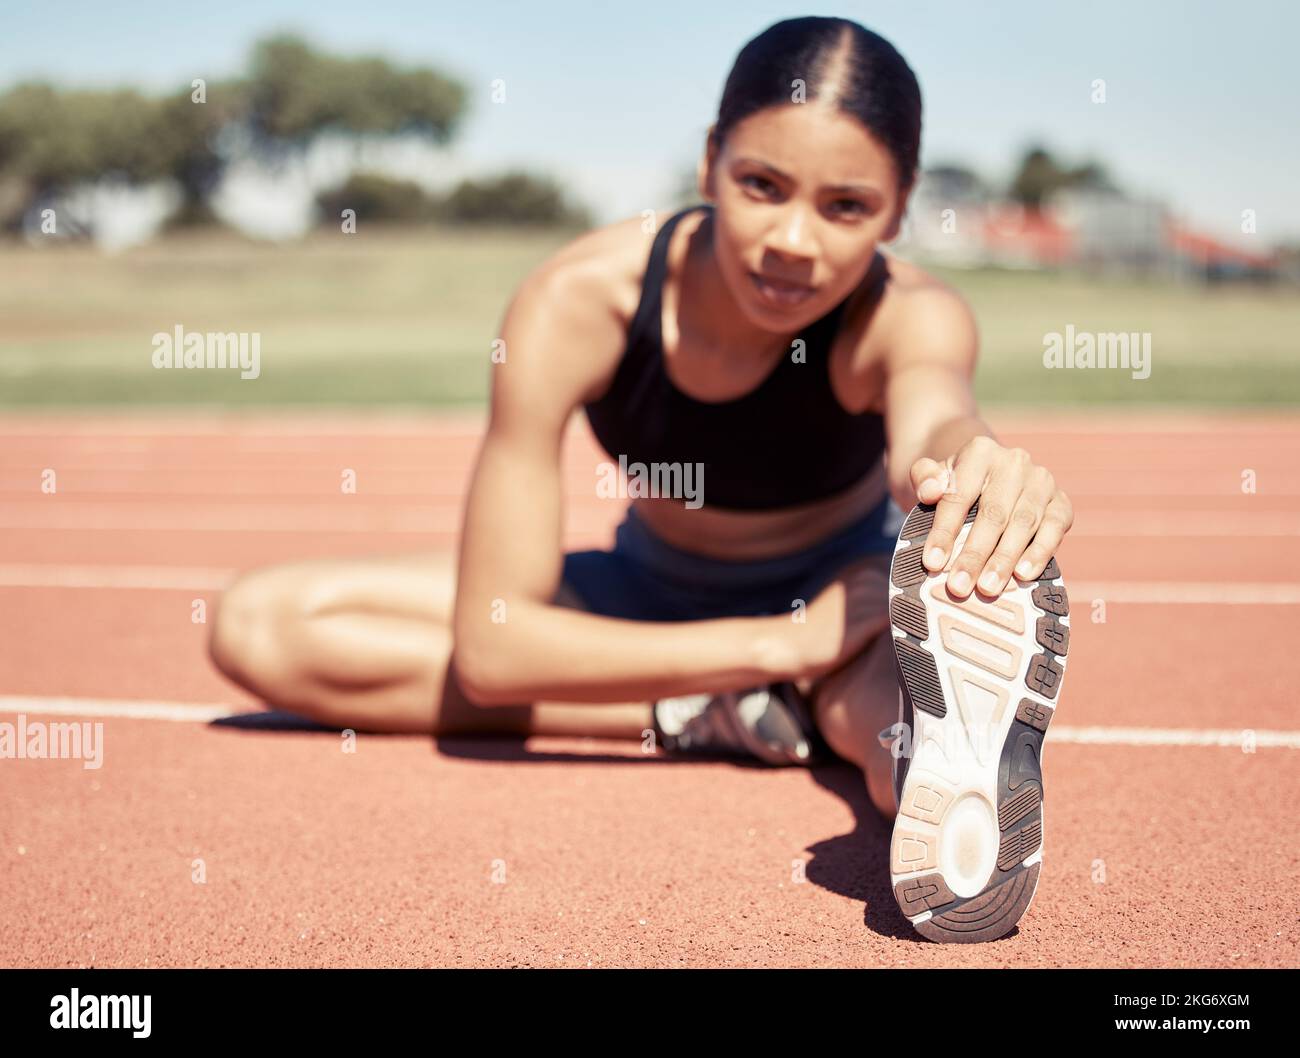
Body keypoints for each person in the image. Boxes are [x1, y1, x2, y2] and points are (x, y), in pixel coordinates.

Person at [208, 16, 1074, 942]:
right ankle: (721, 710)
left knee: (888, 741)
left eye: (845, 207)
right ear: (709, 163)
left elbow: (934, 429)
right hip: (655, 601)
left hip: (846, 611)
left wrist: (972, 468)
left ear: (899, 211)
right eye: (761, 186)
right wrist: (775, 645)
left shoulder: (909, 318)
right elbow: (496, 644)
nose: (792, 240)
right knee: (259, 625)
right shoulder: (577, 302)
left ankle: (937, 790)